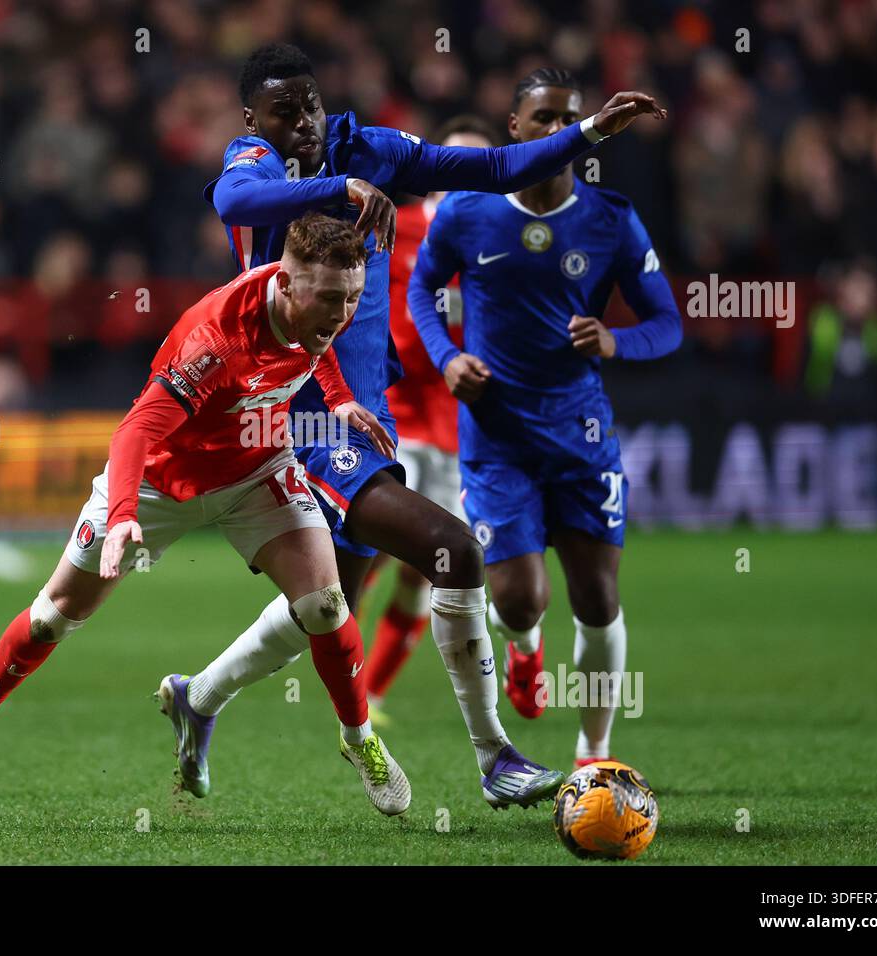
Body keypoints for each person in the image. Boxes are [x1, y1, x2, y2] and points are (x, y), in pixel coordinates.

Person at [178, 44, 666, 810]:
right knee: (454, 549)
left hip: (364, 413)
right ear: (252, 120)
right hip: (296, 415)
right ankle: (495, 755)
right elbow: (235, 204)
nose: (298, 122)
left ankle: (198, 696)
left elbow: (496, 170)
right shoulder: (256, 160)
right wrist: (343, 186)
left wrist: (590, 134)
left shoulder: (370, 148)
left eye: (307, 105)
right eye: (281, 112)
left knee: (326, 602)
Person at [0, 213, 413, 816]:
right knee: (52, 619)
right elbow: (137, 428)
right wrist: (120, 515)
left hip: (257, 470)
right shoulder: (217, 341)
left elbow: (313, 342)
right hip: (159, 484)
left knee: (324, 604)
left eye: (352, 298)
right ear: (289, 285)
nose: (342, 312)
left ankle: (359, 739)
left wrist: (341, 399)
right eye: (330, 298)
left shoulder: (310, 305)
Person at [409, 68, 682, 767]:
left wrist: (617, 339)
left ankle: (595, 754)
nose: (557, 130)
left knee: (596, 598)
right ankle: (525, 651)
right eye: (543, 119)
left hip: (581, 435)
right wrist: (446, 356)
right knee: (521, 599)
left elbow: (668, 324)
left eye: (569, 118)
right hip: (496, 435)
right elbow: (421, 287)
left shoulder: (610, 218)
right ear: (515, 130)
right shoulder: (468, 212)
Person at [358, 115, 497, 726]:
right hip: (396, 418)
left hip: (459, 430)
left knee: (431, 572)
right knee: (370, 548)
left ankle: (373, 695)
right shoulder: (396, 227)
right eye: (457, 163)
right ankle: (335, 668)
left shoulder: (496, 245)